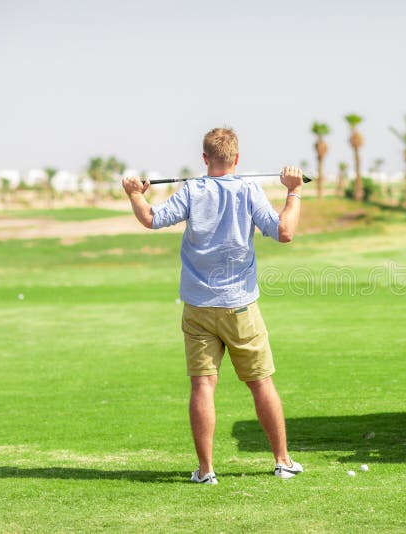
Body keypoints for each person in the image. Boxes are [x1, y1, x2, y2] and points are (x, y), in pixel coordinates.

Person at [121, 127, 304, 482]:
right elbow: (285, 232)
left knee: (203, 386)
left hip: (198, 307)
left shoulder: (191, 189)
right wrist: (294, 192)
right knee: (261, 383)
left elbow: (150, 218)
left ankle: (206, 471)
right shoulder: (249, 189)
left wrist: (134, 194)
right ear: (237, 158)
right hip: (240, 308)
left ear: (205, 159)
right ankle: (282, 462)